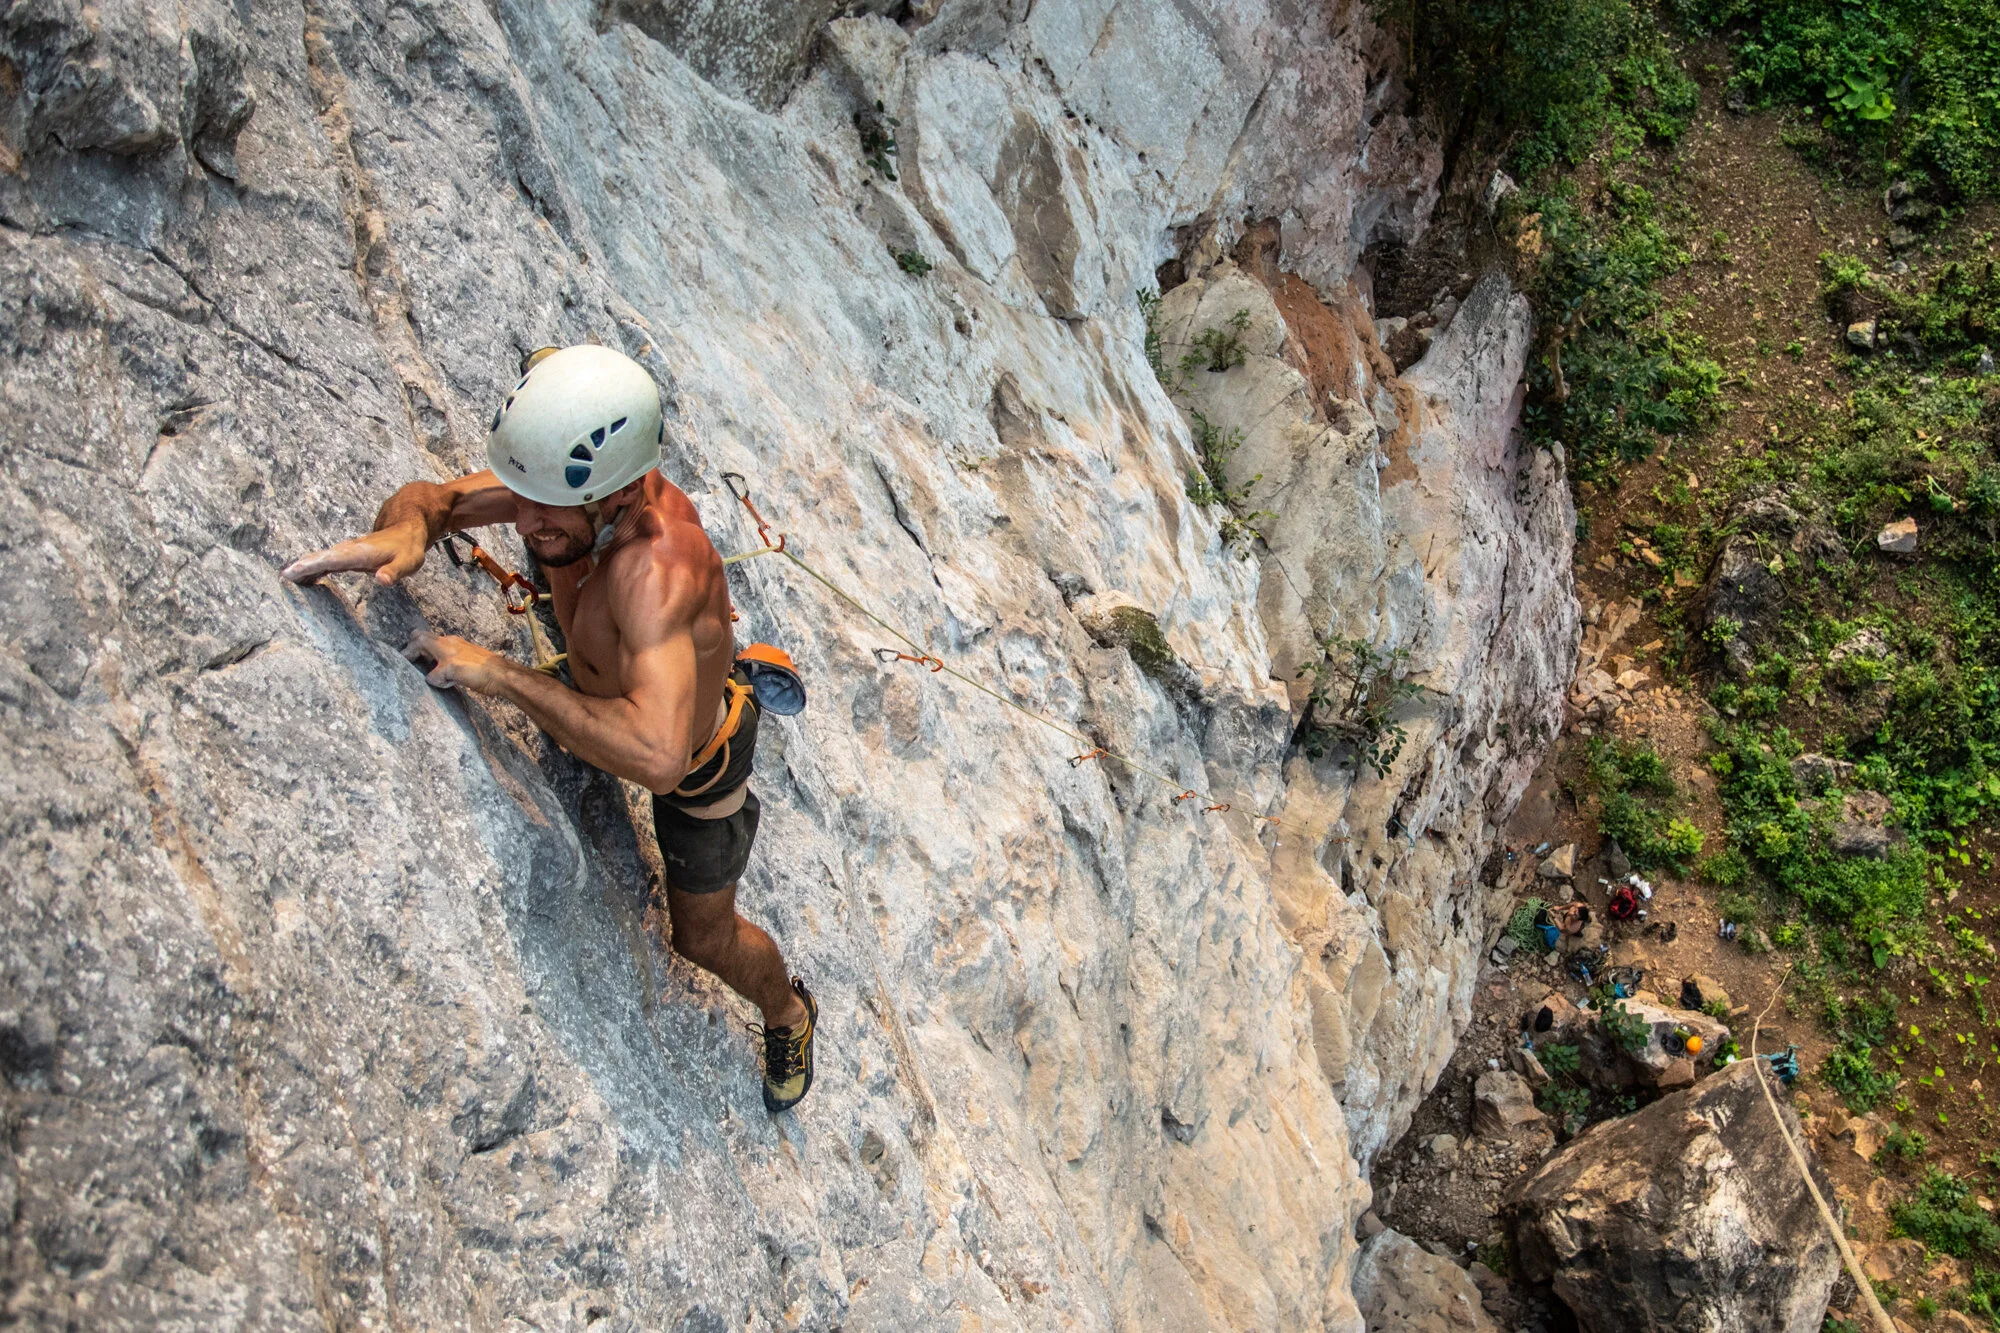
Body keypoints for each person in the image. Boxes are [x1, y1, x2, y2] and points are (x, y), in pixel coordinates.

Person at [281, 344, 816, 1112]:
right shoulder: (569, 495)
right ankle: (603, 663)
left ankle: (790, 1011)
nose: (523, 522)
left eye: (544, 509)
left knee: (702, 938)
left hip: (698, 759)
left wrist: (502, 677)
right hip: (619, 674)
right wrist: (409, 530)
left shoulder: (657, 570)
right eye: (523, 498)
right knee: (543, 562)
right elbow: (438, 498)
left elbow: (659, 757)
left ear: (623, 496)